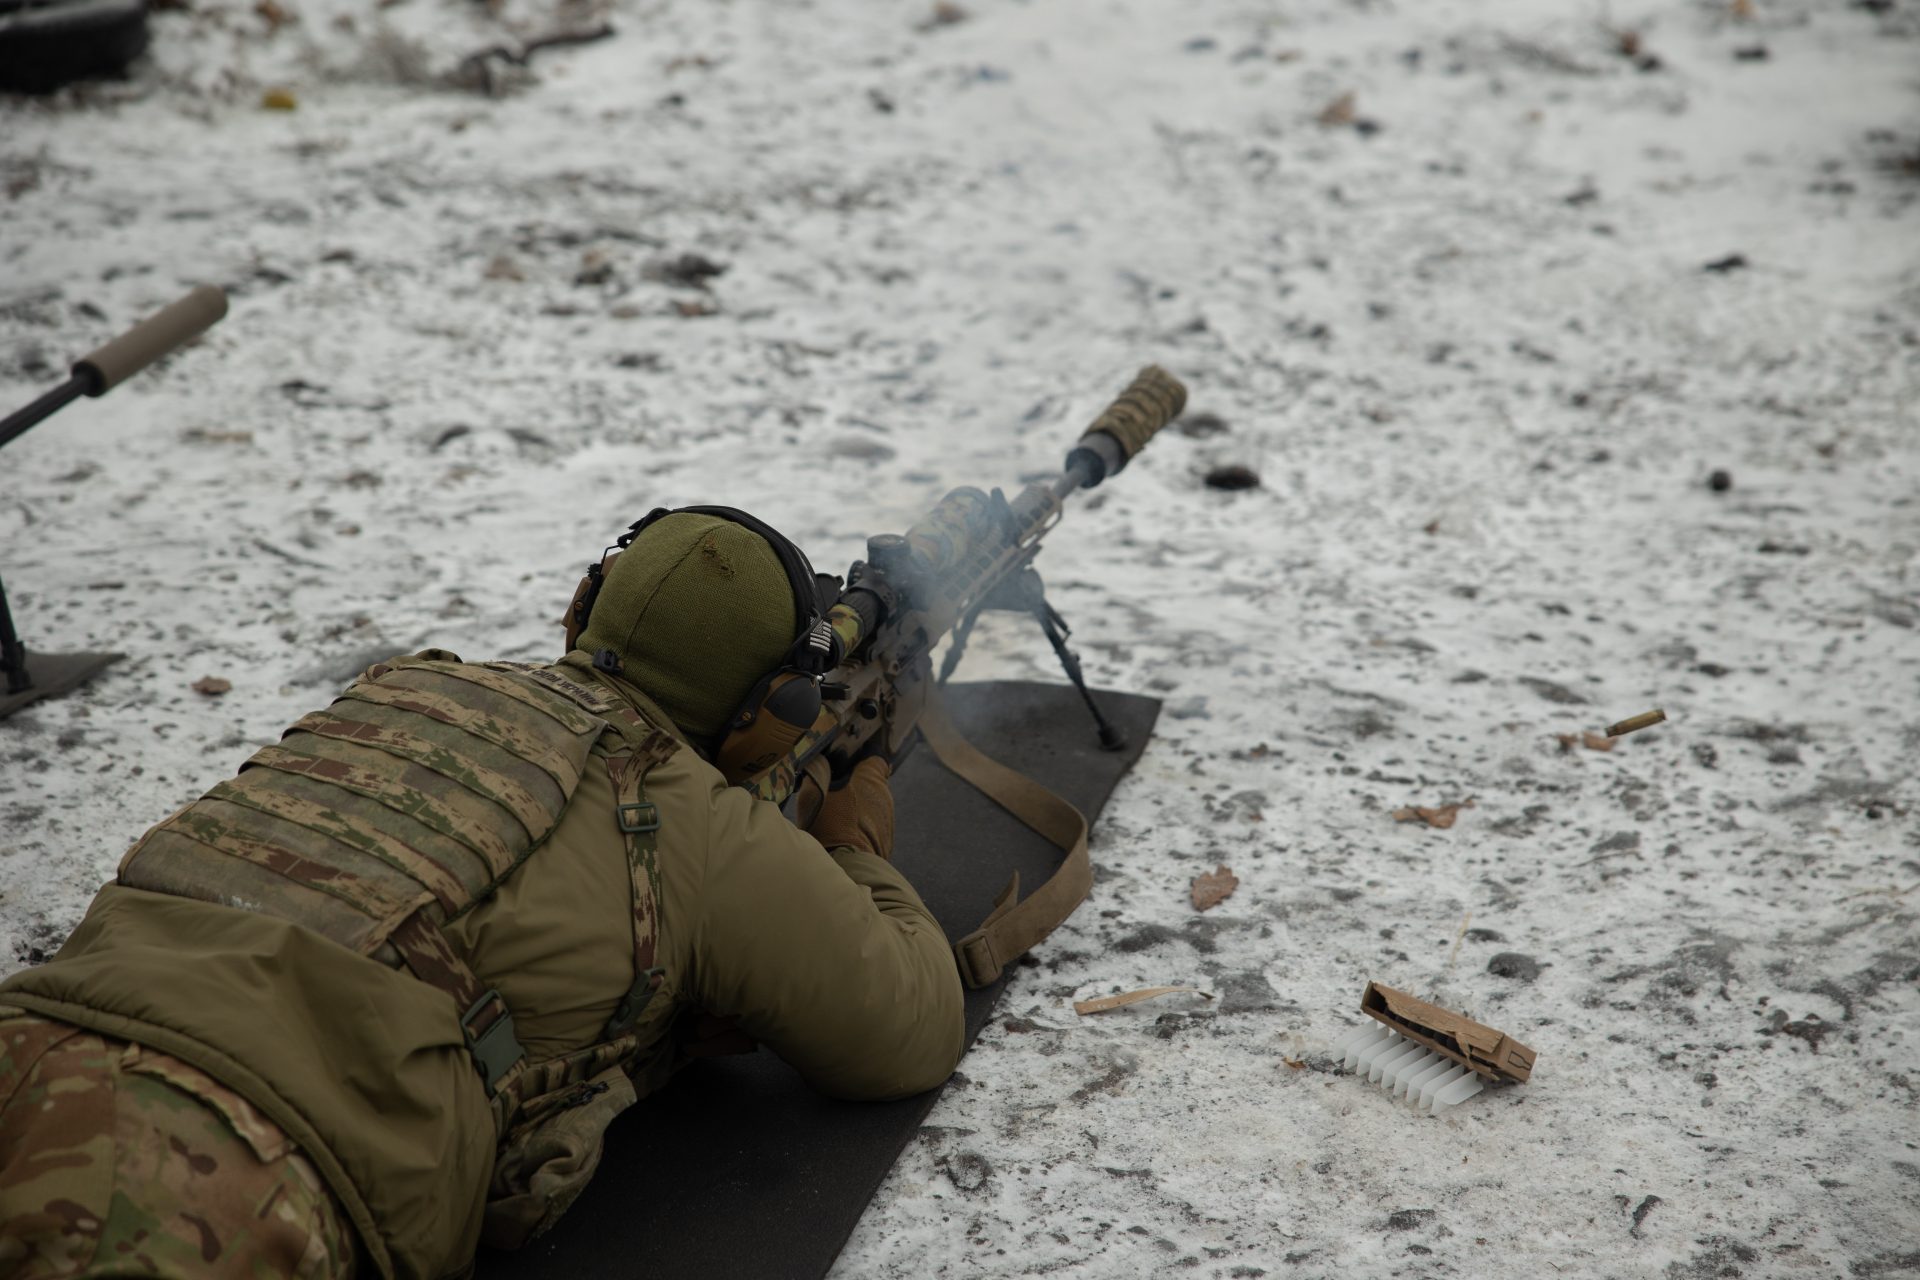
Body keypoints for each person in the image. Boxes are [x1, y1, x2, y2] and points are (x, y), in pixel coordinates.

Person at [0, 508, 967, 1279]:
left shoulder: (405, 689)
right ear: (767, 717)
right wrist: (856, 846)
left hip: (36, 1034)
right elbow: (905, 1032)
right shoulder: (710, 827)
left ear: (585, 611)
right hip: (228, 1161)